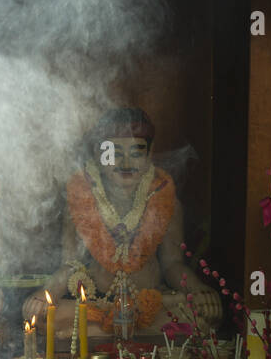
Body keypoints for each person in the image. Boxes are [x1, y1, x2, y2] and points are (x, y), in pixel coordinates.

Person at [22, 107, 221, 337]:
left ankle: (109, 332)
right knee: (43, 319)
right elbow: (70, 264)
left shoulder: (164, 198)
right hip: (98, 305)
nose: (126, 162)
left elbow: (172, 263)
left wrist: (197, 290)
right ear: (98, 155)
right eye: (114, 153)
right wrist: (45, 293)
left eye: (136, 153)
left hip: (149, 304)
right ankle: (120, 331)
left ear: (149, 155)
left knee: (203, 317)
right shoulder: (81, 197)